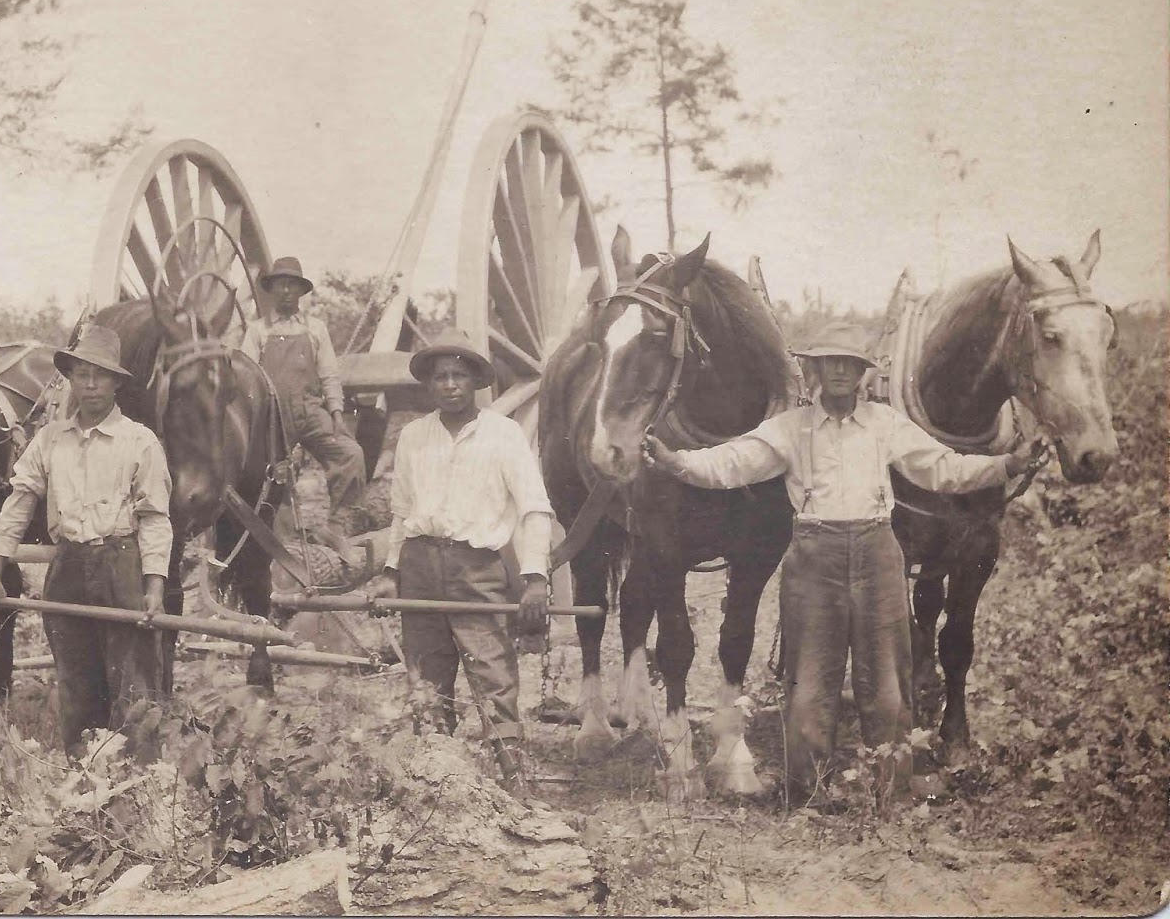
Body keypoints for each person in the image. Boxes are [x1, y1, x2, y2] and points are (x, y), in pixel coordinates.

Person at [643, 321, 1042, 800]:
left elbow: (942, 468)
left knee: (887, 678)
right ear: (813, 369)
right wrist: (676, 461)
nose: (838, 371)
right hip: (815, 555)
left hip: (878, 552)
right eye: (828, 361)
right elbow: (731, 462)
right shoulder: (790, 429)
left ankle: (890, 786)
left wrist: (1006, 465)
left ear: (861, 373)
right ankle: (807, 790)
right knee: (810, 679)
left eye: (848, 363)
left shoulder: (885, 424)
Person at [0, 325, 173, 760]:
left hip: (121, 565)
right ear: (70, 380)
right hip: (67, 568)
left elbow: (155, 518)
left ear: (116, 382)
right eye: (82, 374)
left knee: (131, 683)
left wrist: (154, 586)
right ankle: (83, 776)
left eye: (100, 375)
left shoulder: (139, 442)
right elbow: (19, 503)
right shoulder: (50, 440)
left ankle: (139, 779)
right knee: (76, 679)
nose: (90, 384)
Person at [370, 327, 552, 792]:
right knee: (427, 677)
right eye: (440, 377)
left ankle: (513, 779)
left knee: (492, 671)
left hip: (477, 569)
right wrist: (390, 572)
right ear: (428, 384)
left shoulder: (503, 434)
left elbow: (534, 507)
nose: (449, 385)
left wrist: (535, 577)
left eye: (458, 376)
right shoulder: (413, 437)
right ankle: (435, 784)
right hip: (419, 566)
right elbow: (401, 512)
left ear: (475, 381)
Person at [240, 257, 366, 541]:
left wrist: (336, 415)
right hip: (272, 417)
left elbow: (329, 375)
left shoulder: (315, 328)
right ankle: (281, 541)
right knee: (274, 474)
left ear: (300, 290)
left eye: (292, 285)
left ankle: (337, 527)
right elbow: (246, 378)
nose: (286, 291)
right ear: (272, 290)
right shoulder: (258, 330)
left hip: (310, 411)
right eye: (281, 285)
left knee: (350, 455)